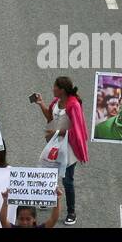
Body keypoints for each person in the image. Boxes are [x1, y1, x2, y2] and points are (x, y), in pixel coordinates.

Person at [32, 75, 87, 225]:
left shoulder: (73, 105)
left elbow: (76, 129)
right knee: (48, 171)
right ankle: (47, 199)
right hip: (55, 146)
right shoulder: (56, 102)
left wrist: (56, 132)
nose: (52, 89)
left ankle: (71, 212)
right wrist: (41, 103)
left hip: (68, 149)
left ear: (62, 90)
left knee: (67, 180)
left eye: (55, 86)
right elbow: (50, 118)